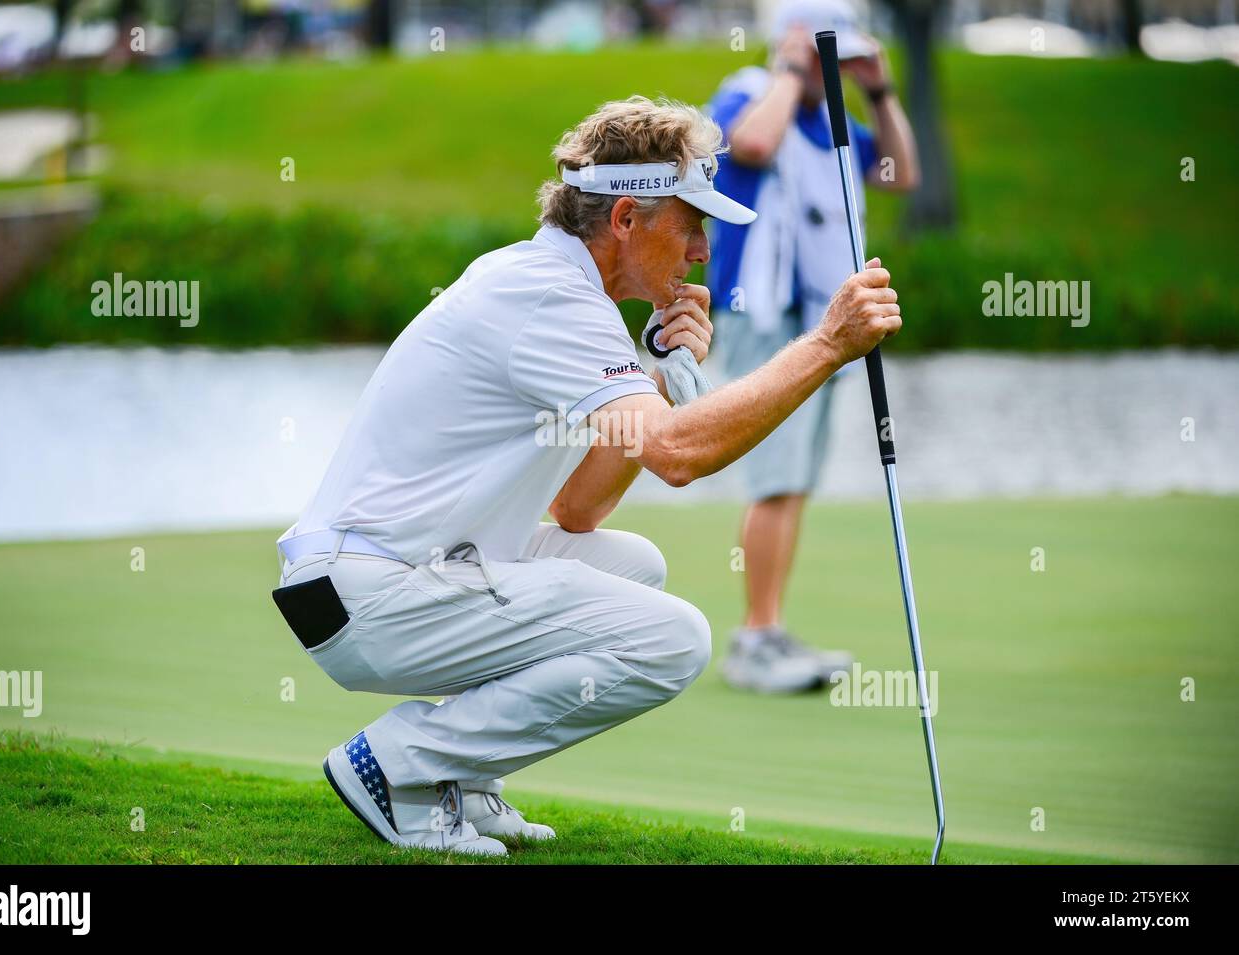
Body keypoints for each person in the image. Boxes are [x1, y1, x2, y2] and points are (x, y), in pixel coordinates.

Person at [271, 96, 903, 856]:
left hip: (383, 578)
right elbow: (676, 456)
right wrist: (828, 344)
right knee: (675, 640)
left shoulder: (554, 284)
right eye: (691, 222)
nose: (701, 250)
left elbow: (578, 509)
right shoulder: (549, 295)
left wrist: (665, 375)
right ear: (627, 220)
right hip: (369, 593)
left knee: (637, 566)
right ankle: (401, 764)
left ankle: (463, 777)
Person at [707, 0, 920, 694]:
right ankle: (755, 639)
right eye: (831, 53)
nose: (837, 68)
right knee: (775, 474)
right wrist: (791, 69)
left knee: (794, 476)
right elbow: (753, 146)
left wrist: (880, 90)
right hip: (762, 312)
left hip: (823, 325)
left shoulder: (832, 124)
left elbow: (898, 173)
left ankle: (768, 627)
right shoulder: (750, 93)